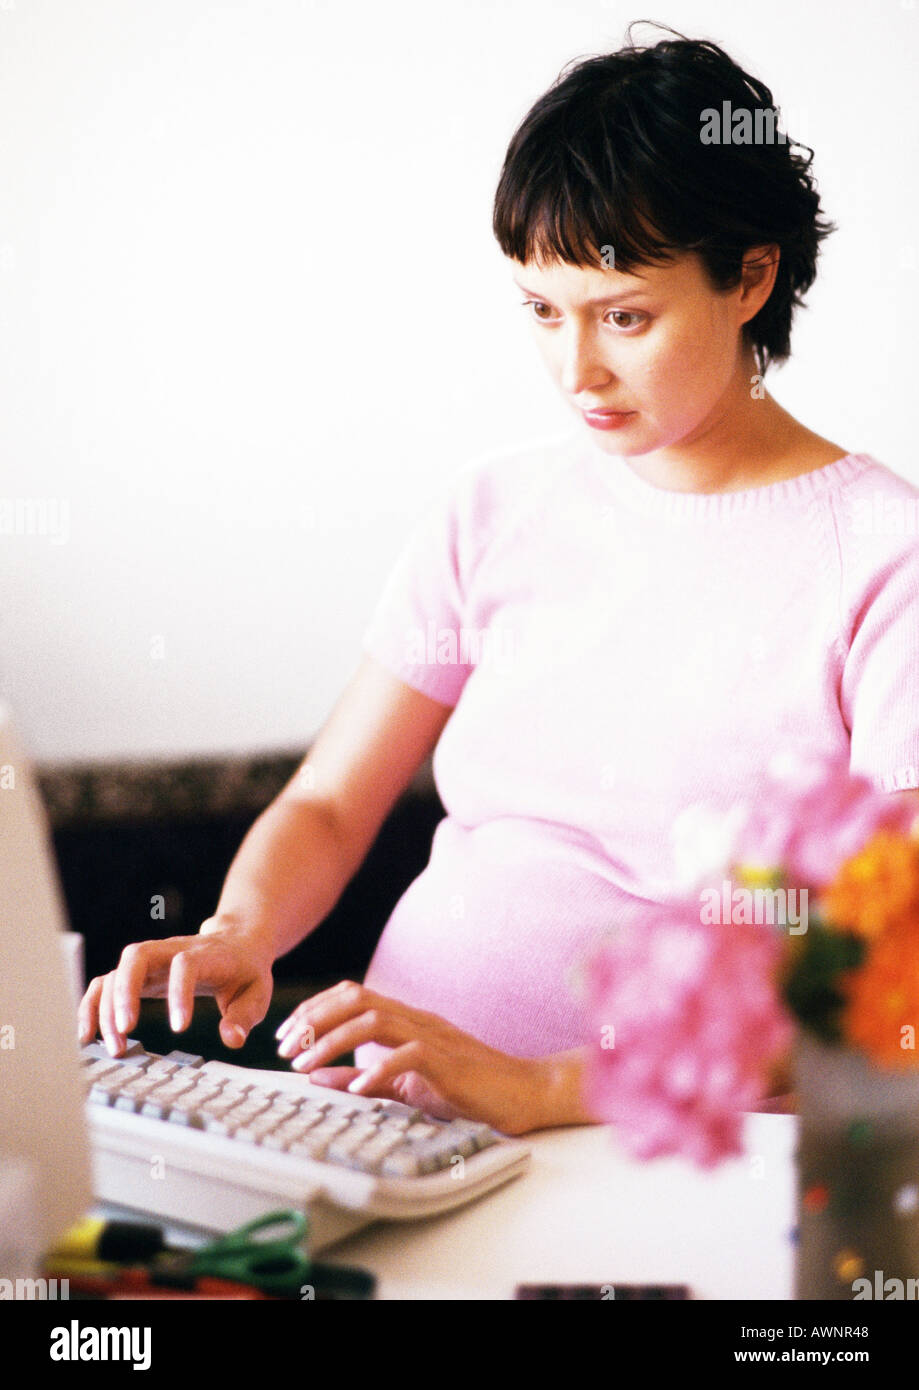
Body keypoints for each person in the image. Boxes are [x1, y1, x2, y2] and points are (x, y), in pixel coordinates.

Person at [78, 26, 919, 1135]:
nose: (576, 370)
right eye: (541, 310)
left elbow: (885, 971)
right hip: (383, 1113)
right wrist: (241, 932)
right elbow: (329, 803)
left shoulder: (884, 557)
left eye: (623, 316)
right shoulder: (494, 510)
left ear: (750, 277)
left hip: (641, 1147)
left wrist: (541, 1088)